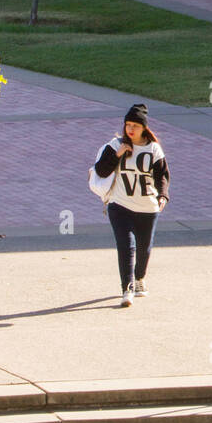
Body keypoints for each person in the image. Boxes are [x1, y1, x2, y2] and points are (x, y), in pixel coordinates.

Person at [92, 104, 169, 307]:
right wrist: (117, 154)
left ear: (144, 127)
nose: (131, 129)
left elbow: (162, 176)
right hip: (120, 206)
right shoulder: (115, 145)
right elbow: (100, 170)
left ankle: (139, 278)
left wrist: (163, 196)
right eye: (128, 125)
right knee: (127, 247)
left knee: (144, 248)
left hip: (148, 208)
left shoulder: (153, 149)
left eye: (135, 125)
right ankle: (127, 288)